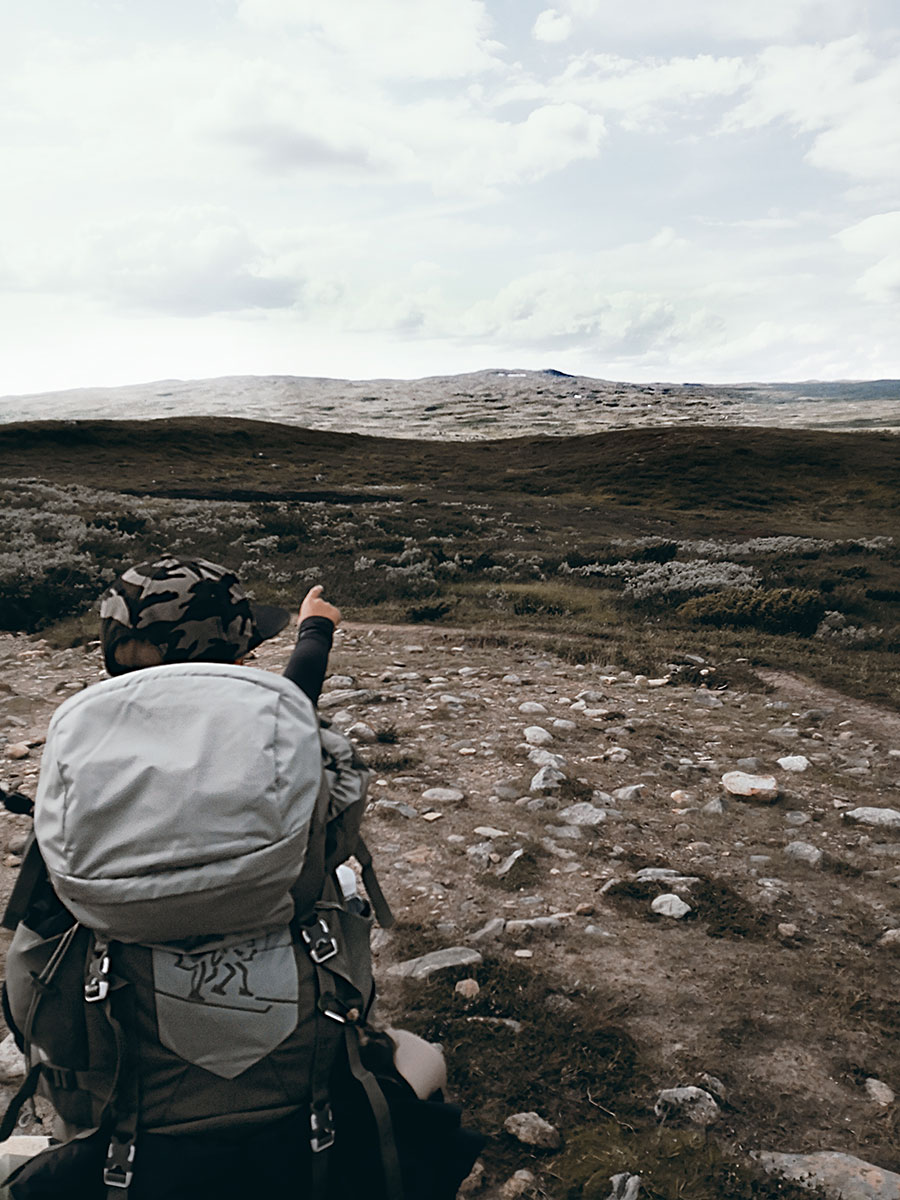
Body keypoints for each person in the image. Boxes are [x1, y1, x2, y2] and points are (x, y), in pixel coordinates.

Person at [1, 555, 482, 1199]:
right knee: (424, 1058)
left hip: (120, 1144)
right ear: (239, 652)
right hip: (303, 1128)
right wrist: (314, 634)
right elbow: (272, 731)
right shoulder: (302, 768)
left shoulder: (79, 781)